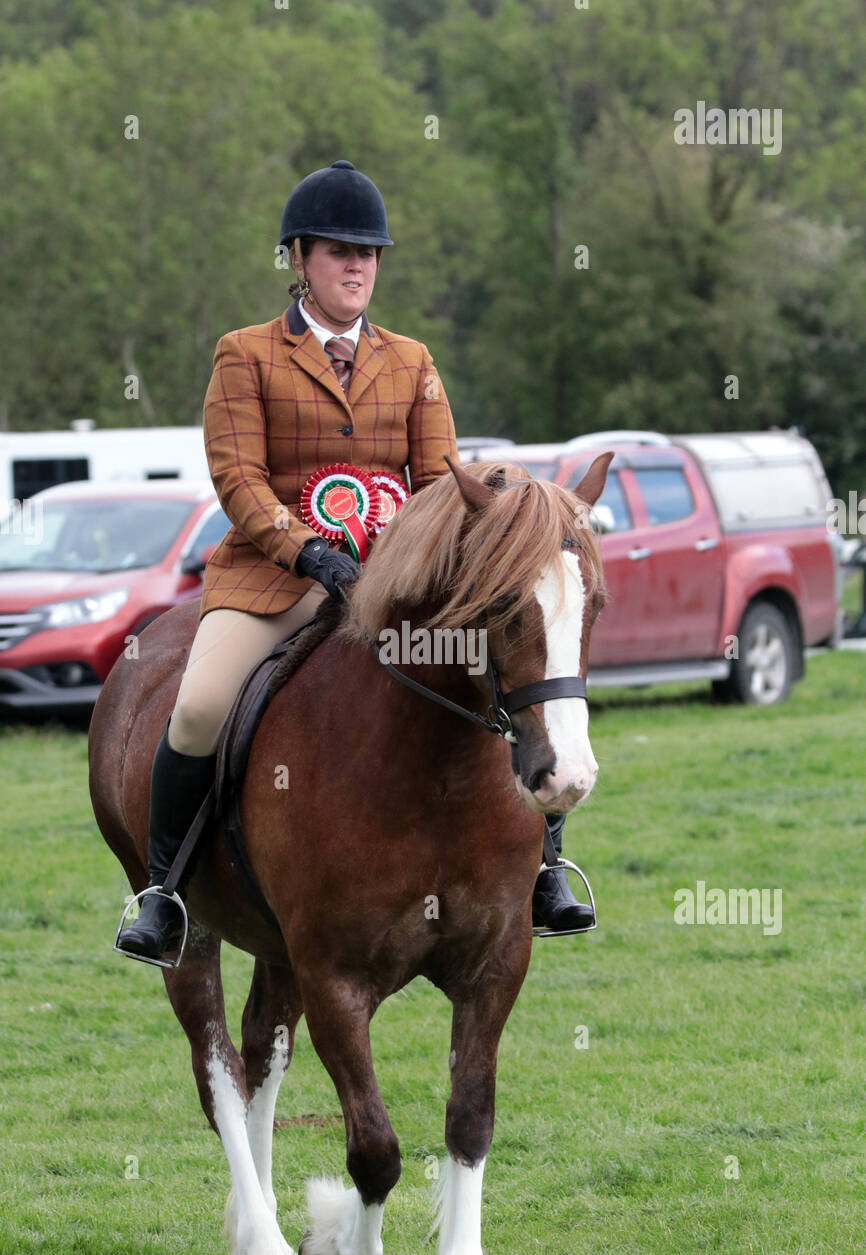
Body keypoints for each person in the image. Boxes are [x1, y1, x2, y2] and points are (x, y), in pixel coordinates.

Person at [116, 160, 593, 963]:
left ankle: (545, 870)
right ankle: (163, 893)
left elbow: (442, 482)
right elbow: (238, 477)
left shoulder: (412, 361)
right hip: (275, 581)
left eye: (369, 253)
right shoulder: (246, 355)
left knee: (513, 678)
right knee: (197, 708)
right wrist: (307, 549)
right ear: (299, 258)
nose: (357, 266)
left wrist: (507, 512)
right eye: (340, 251)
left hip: (392, 586)